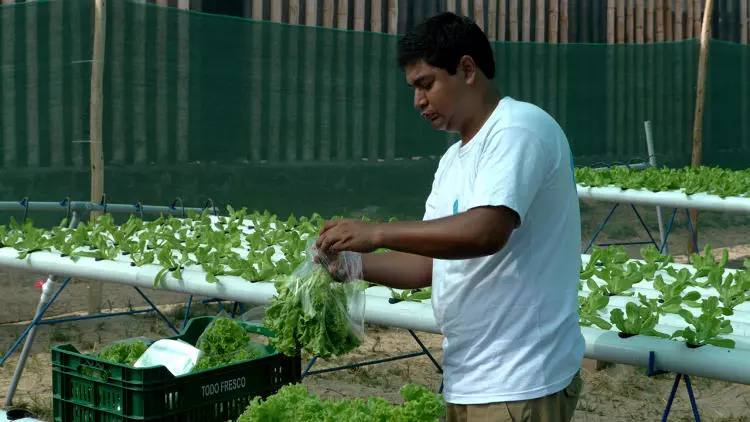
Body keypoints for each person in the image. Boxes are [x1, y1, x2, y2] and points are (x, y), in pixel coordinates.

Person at [315, 11, 585, 422]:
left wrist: (377, 232)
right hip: (470, 377)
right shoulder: (454, 159)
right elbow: (428, 265)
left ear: (466, 69)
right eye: (413, 88)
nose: (418, 101)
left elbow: (485, 232)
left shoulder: (518, 128)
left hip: (521, 381)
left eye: (426, 84)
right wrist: (352, 265)